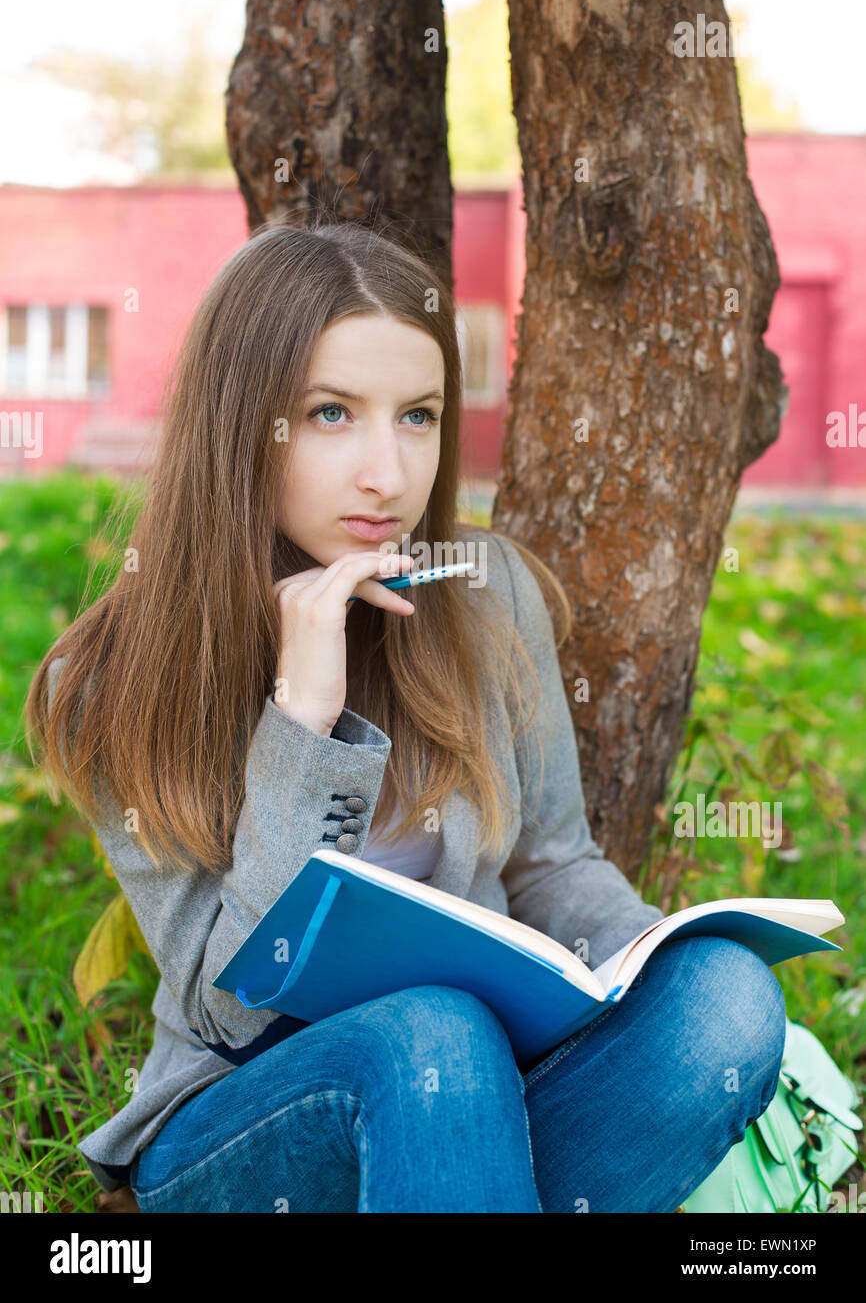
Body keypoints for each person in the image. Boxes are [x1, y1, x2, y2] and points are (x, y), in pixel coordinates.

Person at [26, 217, 787, 1213]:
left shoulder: (486, 592)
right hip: (243, 1120)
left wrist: (646, 959)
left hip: (479, 1093)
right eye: (331, 414)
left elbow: (553, 866)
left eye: (418, 416)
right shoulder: (112, 673)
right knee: (430, 1030)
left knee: (724, 998)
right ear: (241, 420)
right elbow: (228, 1007)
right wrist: (302, 722)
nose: (387, 474)